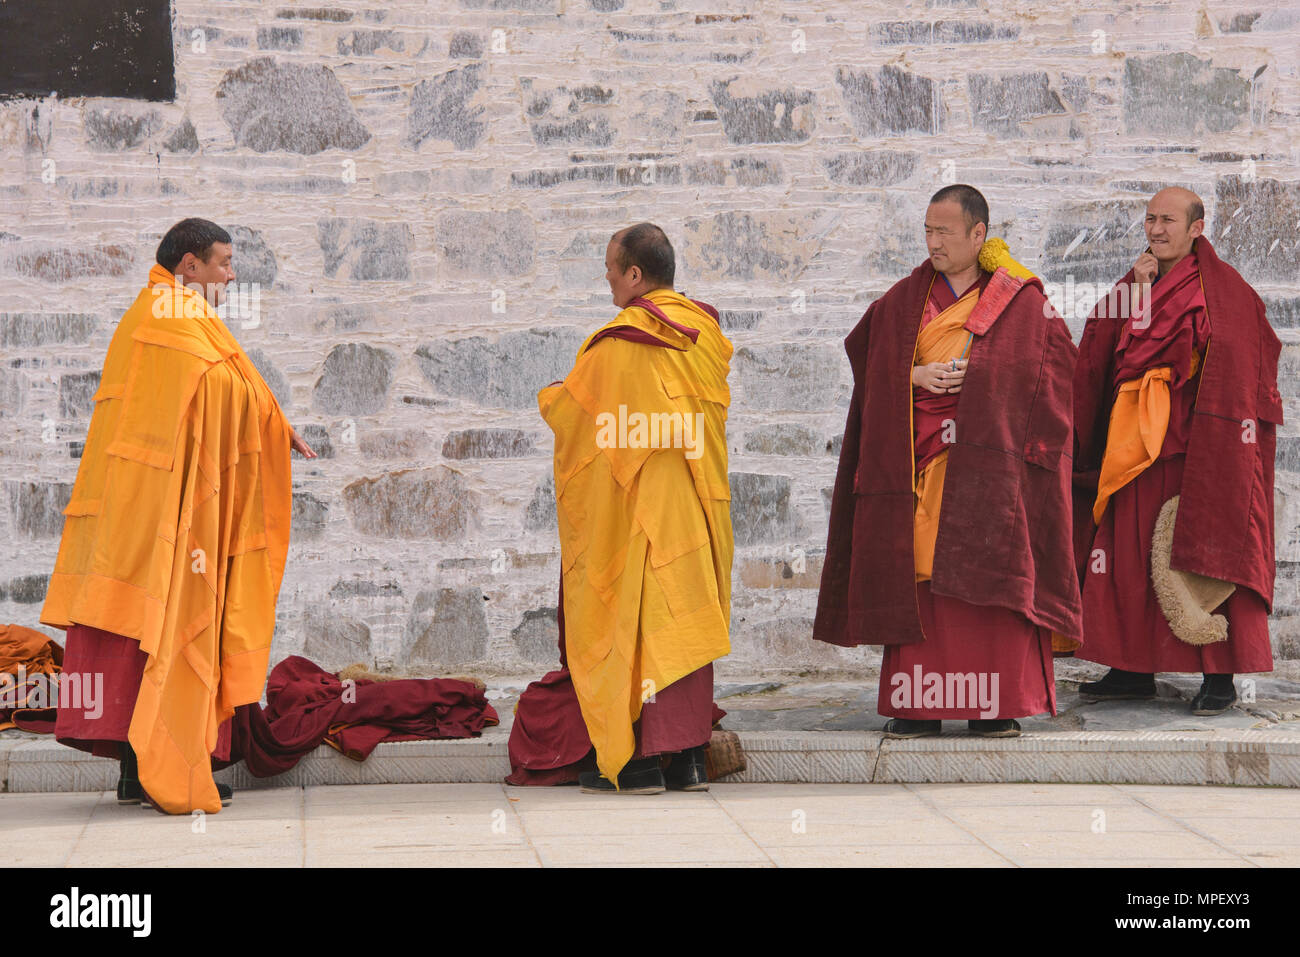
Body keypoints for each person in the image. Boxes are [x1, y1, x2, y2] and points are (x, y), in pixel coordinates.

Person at [40, 218, 315, 813]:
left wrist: (271, 423)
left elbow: (227, 387)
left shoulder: (167, 314)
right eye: (222, 262)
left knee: (149, 635)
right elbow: (214, 388)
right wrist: (264, 418)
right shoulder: (165, 318)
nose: (231, 275)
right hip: (158, 511)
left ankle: (139, 772)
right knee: (158, 633)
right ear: (188, 266)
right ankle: (155, 767)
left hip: (150, 509)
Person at [814, 185, 1082, 737]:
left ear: (978, 235)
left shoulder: (1020, 298)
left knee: (992, 571)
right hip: (921, 463)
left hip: (992, 469)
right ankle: (920, 705)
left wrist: (981, 378)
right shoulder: (905, 298)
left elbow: (1053, 376)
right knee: (921, 572)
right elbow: (869, 365)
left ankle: (995, 706)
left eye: (945, 233)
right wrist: (912, 377)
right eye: (928, 232)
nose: (933, 243)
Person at [507, 223, 732, 793]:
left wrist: (553, 394)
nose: (606, 277)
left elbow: (573, 413)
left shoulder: (620, 343)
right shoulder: (704, 334)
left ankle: (635, 761)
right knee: (683, 617)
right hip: (697, 509)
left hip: (639, 517)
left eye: (611, 267)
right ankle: (687, 760)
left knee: (635, 620)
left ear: (635, 275)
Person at [1072, 188, 1279, 714]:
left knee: (1204, 548)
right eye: (1150, 219)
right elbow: (1107, 347)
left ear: (1197, 228)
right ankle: (1129, 668)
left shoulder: (1226, 290)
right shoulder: (1137, 282)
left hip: (1196, 448)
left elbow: (1243, 358)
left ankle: (1219, 677)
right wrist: (1139, 292)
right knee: (1125, 554)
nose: (1156, 229)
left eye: (1168, 220)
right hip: (1134, 444)